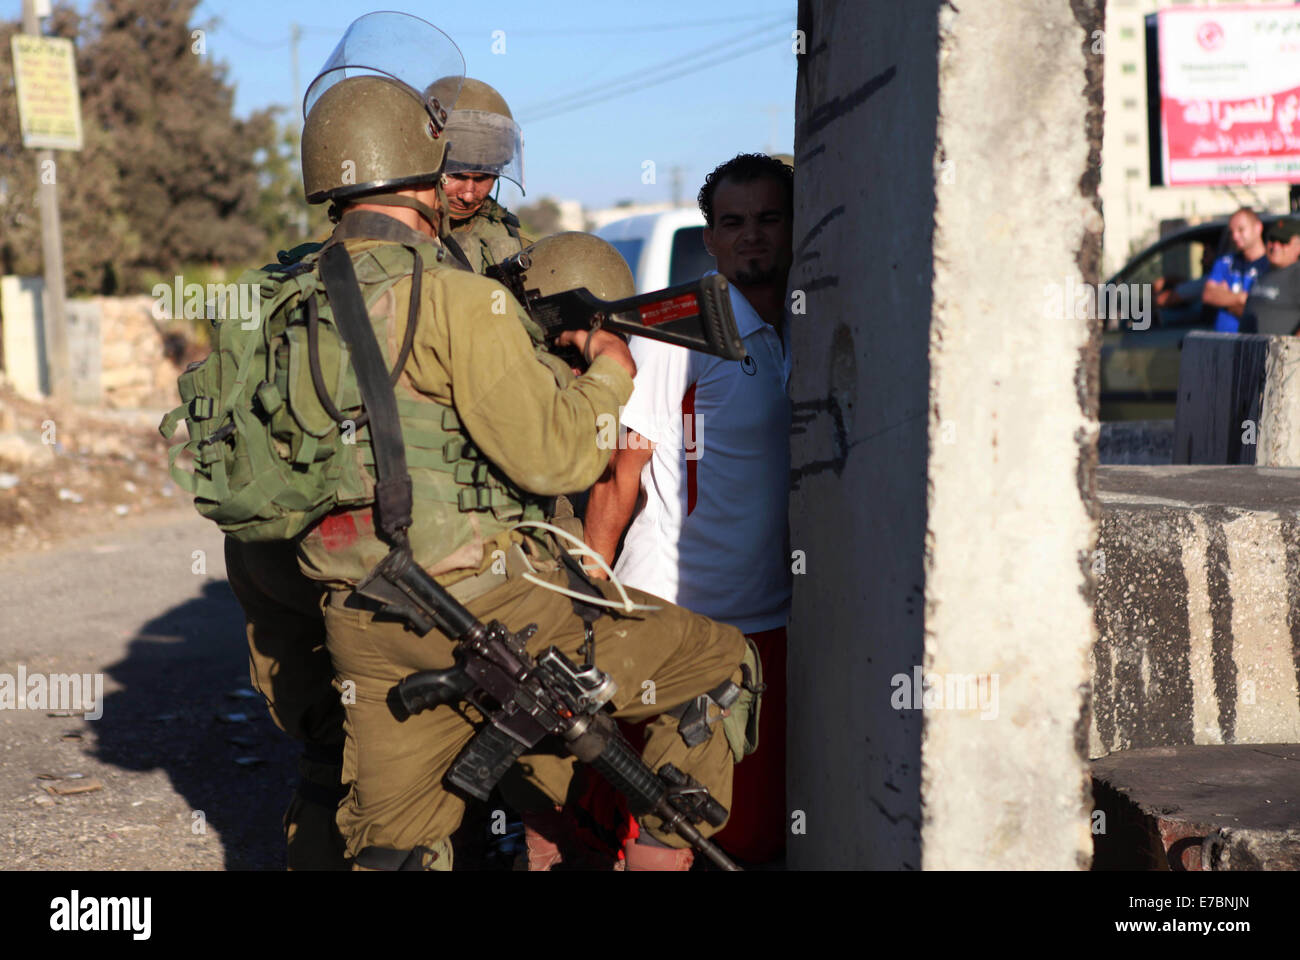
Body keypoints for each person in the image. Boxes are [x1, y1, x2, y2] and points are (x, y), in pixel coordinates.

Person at [268, 14, 747, 872]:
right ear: (426, 161)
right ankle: (659, 856)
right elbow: (559, 461)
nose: (475, 184)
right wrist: (607, 371)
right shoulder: (461, 295)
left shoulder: (287, 299)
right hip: (478, 596)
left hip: (358, 607)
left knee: (392, 844)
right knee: (718, 666)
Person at [225, 72, 543, 871]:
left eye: (486, 171)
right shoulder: (325, 263)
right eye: (455, 168)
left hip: (435, 541)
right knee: (341, 751)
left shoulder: (506, 255)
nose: (469, 187)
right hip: (355, 542)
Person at [581, 152, 795, 865]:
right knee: (668, 827)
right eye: (733, 223)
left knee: (750, 836)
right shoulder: (676, 326)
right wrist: (587, 594)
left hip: (773, 622)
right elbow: (621, 472)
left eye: (770, 218)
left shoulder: (814, 324)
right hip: (681, 620)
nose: (752, 237)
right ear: (710, 238)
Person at [441, 78, 533, 273]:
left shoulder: (514, 240)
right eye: (458, 176)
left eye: (482, 178)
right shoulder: (385, 232)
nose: (468, 195)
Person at [1202, 207, 1270, 333]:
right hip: (1223, 343)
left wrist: (1225, 298)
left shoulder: (1270, 266)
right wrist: (1241, 298)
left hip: (1254, 343)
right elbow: (1208, 295)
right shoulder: (1225, 262)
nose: (1235, 236)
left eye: (1241, 229)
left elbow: (1261, 310)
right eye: (1231, 232)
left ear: (1258, 228)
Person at [1242, 218, 1300, 336]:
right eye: (1272, 240)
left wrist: (1293, 349)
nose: (1275, 246)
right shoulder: (1263, 271)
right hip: (1251, 351)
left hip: (1280, 352)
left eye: (1283, 241)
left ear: (1298, 246)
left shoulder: (1296, 274)